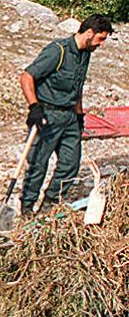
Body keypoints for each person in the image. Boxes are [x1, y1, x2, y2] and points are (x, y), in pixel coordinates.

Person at [20, 14, 113, 215]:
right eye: (101, 38)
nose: (101, 44)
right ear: (89, 33)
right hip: (47, 115)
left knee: (70, 164)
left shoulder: (86, 54)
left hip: (70, 116)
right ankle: (26, 209)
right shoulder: (58, 51)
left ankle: (48, 207)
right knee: (38, 165)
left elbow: (77, 87)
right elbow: (27, 76)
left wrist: (80, 117)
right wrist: (34, 107)